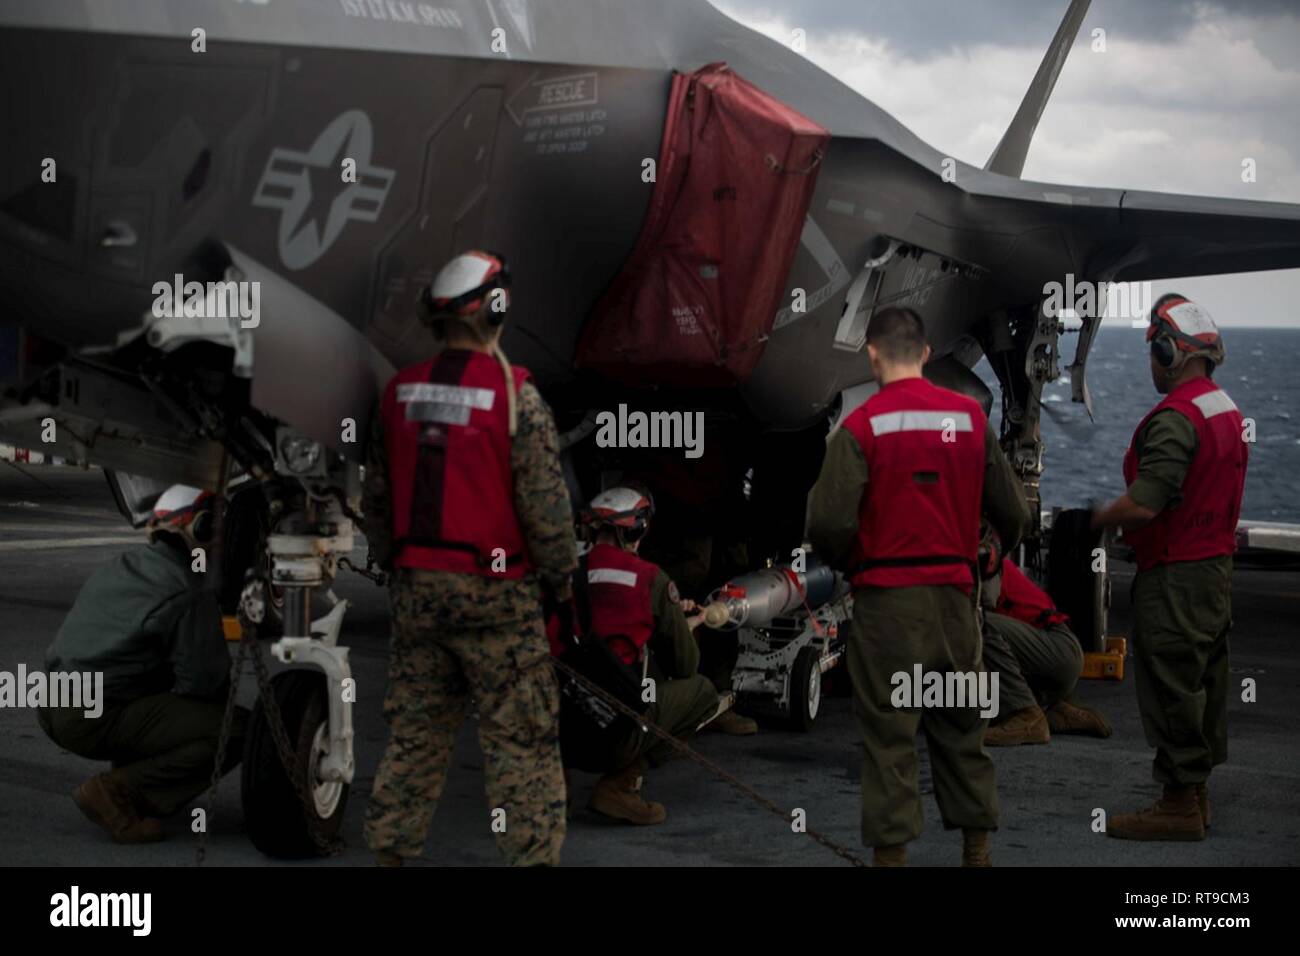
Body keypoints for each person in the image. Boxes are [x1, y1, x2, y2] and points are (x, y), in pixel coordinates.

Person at [362, 250, 578, 866]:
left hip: (417, 598)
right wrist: (562, 584)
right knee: (522, 743)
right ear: (498, 307)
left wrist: (394, 565)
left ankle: (390, 855)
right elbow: (545, 508)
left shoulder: (398, 393)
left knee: (415, 736)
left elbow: (377, 500)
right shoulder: (515, 397)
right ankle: (530, 859)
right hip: (497, 599)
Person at [807, 306, 1029, 867]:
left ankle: (891, 860)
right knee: (961, 731)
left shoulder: (859, 428)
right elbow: (1014, 511)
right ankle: (976, 853)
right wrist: (990, 548)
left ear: (873, 354)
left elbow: (828, 524)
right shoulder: (971, 421)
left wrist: (857, 561)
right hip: (956, 606)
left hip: (887, 610)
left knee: (890, 739)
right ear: (927, 354)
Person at [1092, 294, 1247, 842]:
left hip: (1176, 574)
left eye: (1154, 354)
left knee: (1173, 685)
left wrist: (1098, 518)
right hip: (1214, 570)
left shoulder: (1177, 419)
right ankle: (1197, 793)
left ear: (1168, 351)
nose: (1151, 366)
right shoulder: (1224, 408)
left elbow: (1146, 502)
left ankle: (1178, 802)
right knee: (1204, 678)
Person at [37, 484, 244, 844]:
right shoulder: (189, 590)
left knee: (148, 685)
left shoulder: (123, 564)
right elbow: (204, 684)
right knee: (236, 727)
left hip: (52, 702)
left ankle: (132, 781)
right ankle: (117, 793)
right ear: (201, 530)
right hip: (90, 716)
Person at [561, 486, 720, 825]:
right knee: (702, 692)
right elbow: (685, 665)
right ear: (635, 531)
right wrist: (685, 623)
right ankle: (620, 786)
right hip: (613, 735)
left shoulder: (565, 572)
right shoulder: (650, 579)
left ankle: (556, 787)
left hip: (562, 730)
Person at [981, 558, 1111, 746]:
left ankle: (1026, 715)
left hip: (1057, 648)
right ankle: (1054, 709)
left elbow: (984, 600)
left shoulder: (982, 555)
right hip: (1047, 657)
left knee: (973, 622)